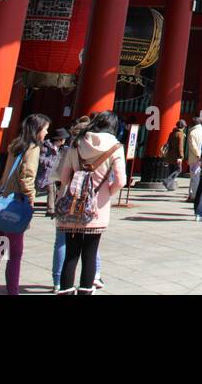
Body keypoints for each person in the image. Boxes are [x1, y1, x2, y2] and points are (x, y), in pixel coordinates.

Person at [54, 111, 126, 294]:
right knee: (90, 253)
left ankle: (65, 289)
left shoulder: (76, 143)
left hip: (72, 202)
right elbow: (120, 180)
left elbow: (63, 177)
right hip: (97, 205)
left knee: (71, 253)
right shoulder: (116, 147)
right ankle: (86, 289)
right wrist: (106, 192)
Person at [0, 112, 48, 295]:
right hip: (16, 205)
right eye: (45, 129)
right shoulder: (32, 148)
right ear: (38, 129)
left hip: (4, 203)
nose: (46, 133)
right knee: (15, 254)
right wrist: (31, 198)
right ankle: (13, 291)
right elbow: (27, 176)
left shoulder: (15, 146)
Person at [37, 126, 66, 216]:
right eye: (63, 139)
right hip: (43, 173)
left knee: (52, 191)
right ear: (59, 140)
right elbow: (40, 158)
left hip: (51, 175)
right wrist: (51, 163)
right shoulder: (46, 147)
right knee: (35, 190)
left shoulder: (61, 149)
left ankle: (51, 210)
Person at [159, 119, 187, 192]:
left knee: (171, 169)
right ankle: (167, 181)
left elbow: (168, 143)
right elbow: (180, 146)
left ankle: (170, 187)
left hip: (170, 154)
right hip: (176, 156)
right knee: (178, 169)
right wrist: (181, 156)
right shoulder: (180, 134)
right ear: (183, 127)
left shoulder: (172, 133)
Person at [185, 114, 202, 202]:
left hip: (195, 157)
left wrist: (198, 154)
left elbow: (192, 145)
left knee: (194, 176)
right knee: (199, 176)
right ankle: (194, 193)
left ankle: (193, 194)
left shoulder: (192, 132)